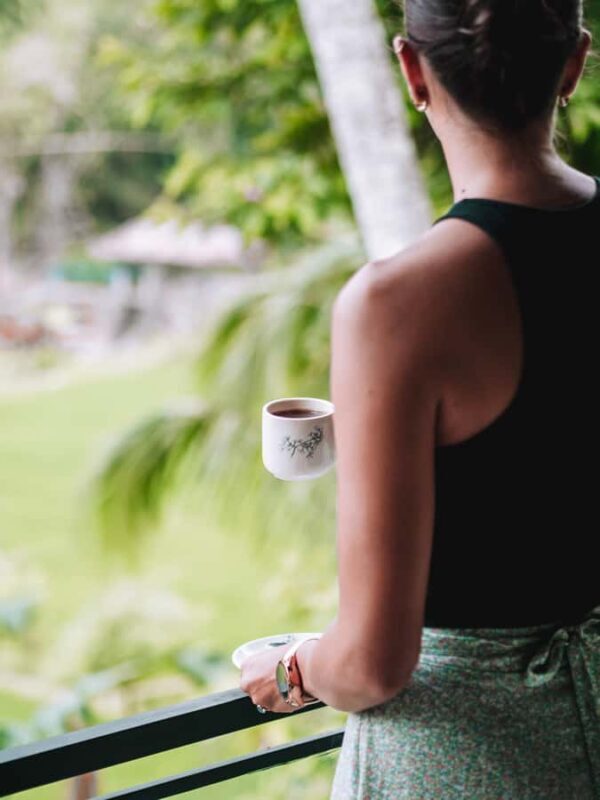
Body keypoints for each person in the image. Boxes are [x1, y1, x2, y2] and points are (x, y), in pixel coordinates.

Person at [240, 0, 600, 796]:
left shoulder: (399, 305)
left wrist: (293, 669)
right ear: (574, 64)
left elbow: (371, 662)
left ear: (411, 70)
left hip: (475, 763)